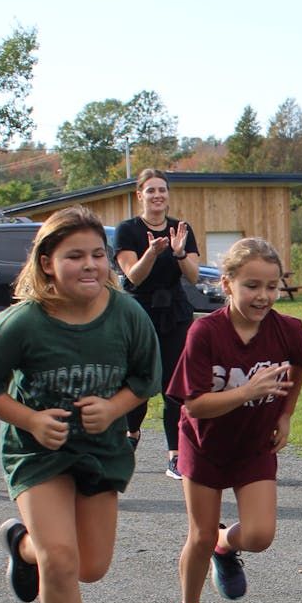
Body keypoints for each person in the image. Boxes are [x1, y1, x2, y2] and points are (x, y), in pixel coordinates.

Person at [0, 206, 161, 603]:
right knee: (61, 559)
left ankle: (22, 545)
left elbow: (147, 378)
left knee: (91, 567)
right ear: (47, 262)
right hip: (39, 453)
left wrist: (114, 407)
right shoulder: (22, 323)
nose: (90, 264)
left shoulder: (126, 314)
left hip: (101, 451)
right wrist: (29, 419)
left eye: (98, 253)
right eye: (75, 255)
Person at [166, 238, 302, 603]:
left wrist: (285, 414)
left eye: (272, 286)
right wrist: (248, 390)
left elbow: (299, 370)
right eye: (253, 285)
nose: (264, 296)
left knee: (259, 535)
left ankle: (226, 544)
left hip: (254, 442)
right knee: (198, 534)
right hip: (205, 443)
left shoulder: (288, 330)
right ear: (228, 283)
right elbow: (195, 404)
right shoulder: (205, 332)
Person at [113, 168, 201, 480]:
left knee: (174, 387)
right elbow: (132, 277)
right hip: (140, 313)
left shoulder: (181, 228)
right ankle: (131, 433)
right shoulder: (128, 231)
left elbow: (193, 276)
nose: (157, 196)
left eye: (162, 190)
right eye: (151, 190)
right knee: (140, 381)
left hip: (175, 313)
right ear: (140, 195)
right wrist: (151, 252)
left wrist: (179, 254)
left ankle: (175, 455)